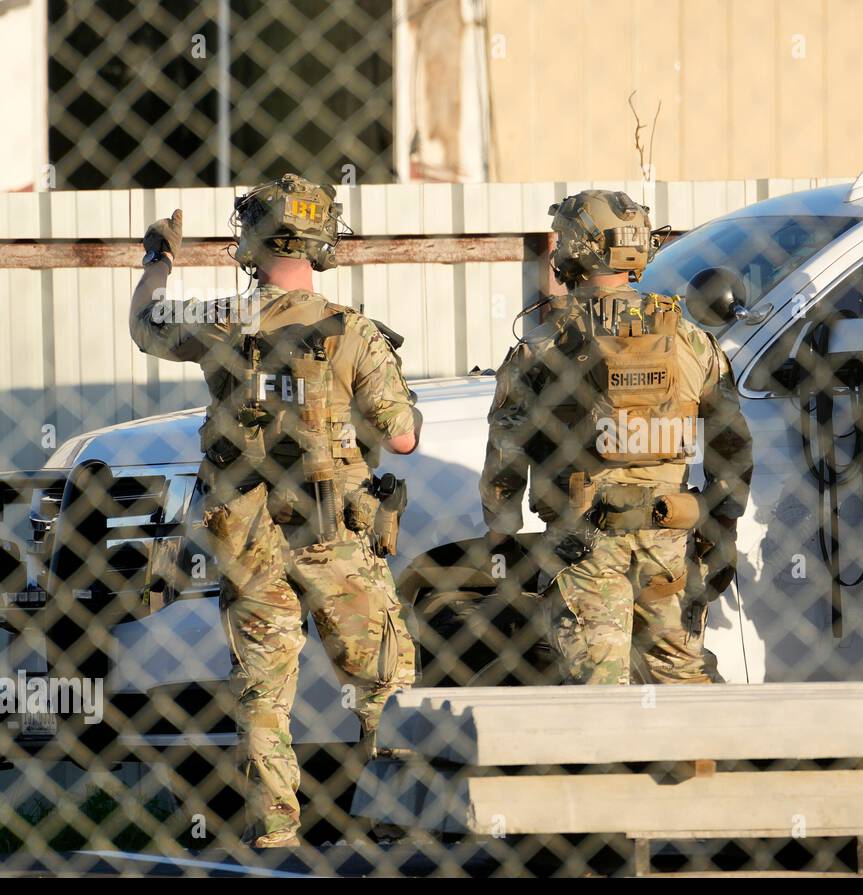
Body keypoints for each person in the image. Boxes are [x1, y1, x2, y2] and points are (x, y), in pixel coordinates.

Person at [128, 174, 419, 846]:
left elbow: (146, 325)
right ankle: (387, 825)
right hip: (336, 530)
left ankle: (275, 830)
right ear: (323, 241)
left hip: (246, 530)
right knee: (382, 681)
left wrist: (159, 261)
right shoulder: (352, 332)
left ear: (251, 239)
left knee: (263, 692)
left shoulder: (223, 321)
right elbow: (400, 433)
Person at [480, 189, 753, 685]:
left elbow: (506, 448)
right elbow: (732, 443)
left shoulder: (545, 343)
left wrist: (500, 534)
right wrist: (723, 527)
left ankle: (609, 759)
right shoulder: (692, 340)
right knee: (680, 675)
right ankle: (696, 759)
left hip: (583, 544)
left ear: (578, 249)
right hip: (669, 541)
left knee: (598, 690)